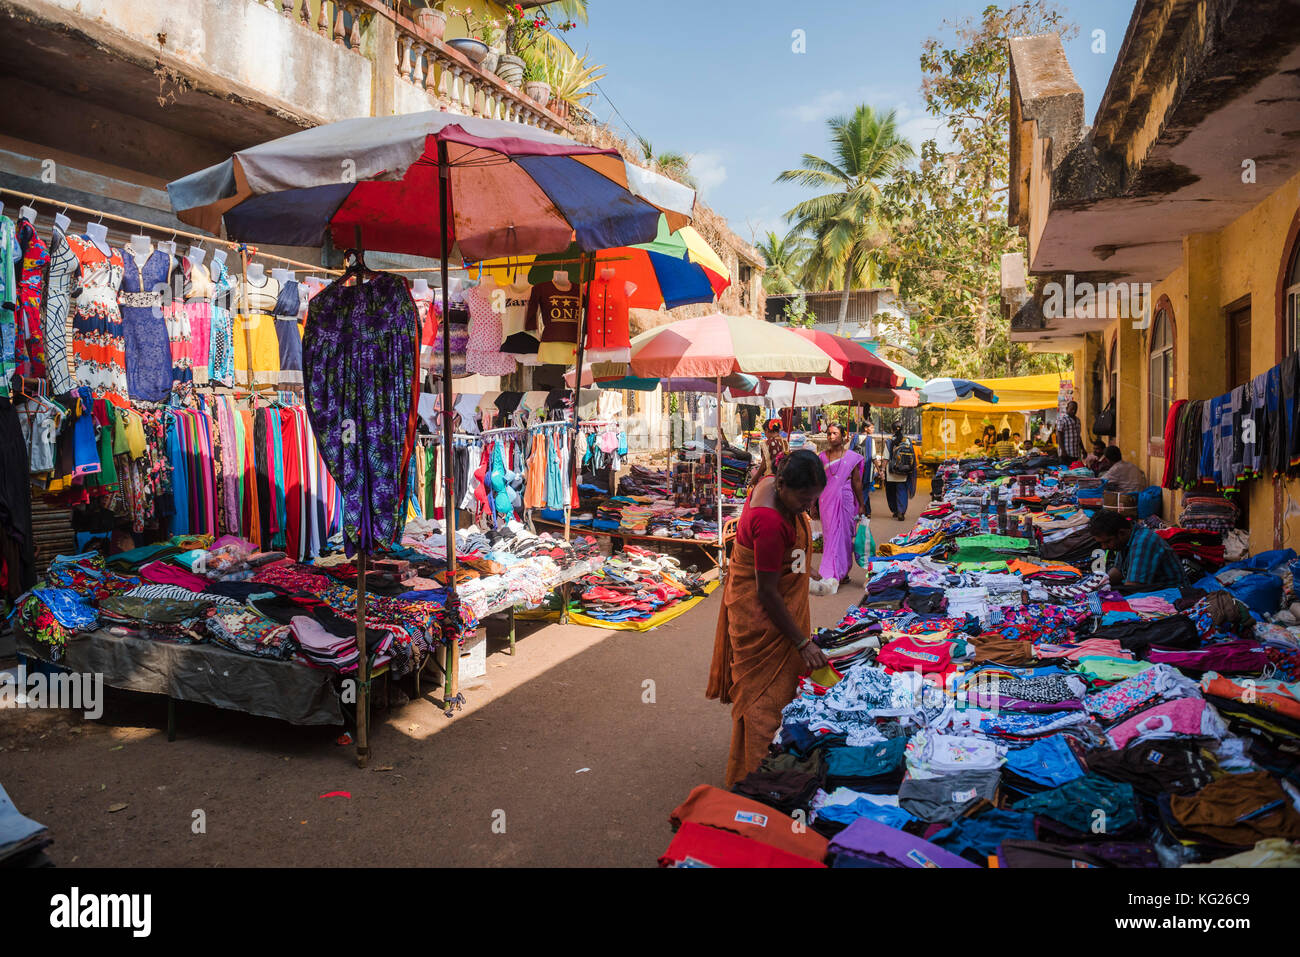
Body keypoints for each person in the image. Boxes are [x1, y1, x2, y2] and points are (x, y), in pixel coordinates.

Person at [708, 450, 828, 786]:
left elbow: (787, 557)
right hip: (760, 619)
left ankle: (750, 769)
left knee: (768, 696)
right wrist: (802, 642)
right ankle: (762, 786)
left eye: (813, 500)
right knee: (766, 705)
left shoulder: (771, 483)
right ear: (785, 486)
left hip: (769, 606)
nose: (808, 508)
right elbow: (767, 592)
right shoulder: (772, 521)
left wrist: (805, 568)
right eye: (804, 499)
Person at [815, 423, 866, 585]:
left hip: (846, 500)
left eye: (835, 433)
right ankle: (831, 571)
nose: (831, 437)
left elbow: (857, 482)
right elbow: (817, 482)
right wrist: (812, 504)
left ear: (843, 436)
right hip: (826, 501)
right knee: (830, 536)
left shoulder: (851, 457)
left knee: (844, 536)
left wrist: (862, 504)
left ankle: (843, 571)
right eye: (829, 434)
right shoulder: (821, 457)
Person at [1088, 509, 1188, 591]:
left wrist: (1103, 590)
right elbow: (1118, 570)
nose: (1104, 547)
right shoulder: (1125, 540)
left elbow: (1133, 588)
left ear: (1121, 533)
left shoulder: (1143, 542)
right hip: (1152, 592)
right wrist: (1095, 585)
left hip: (1174, 595)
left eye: (1107, 542)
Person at [883, 423, 917, 522]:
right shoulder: (907, 440)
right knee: (902, 490)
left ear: (892, 429)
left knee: (891, 491)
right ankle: (901, 511)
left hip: (892, 471)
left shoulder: (889, 440)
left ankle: (895, 510)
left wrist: (882, 470)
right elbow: (913, 457)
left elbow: (886, 457)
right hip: (904, 470)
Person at [750, 417, 789, 488]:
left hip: (770, 478)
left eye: (765, 432)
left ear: (767, 430)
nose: (765, 434)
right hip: (783, 478)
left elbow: (764, 466)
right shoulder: (785, 442)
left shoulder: (766, 444)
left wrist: (754, 479)